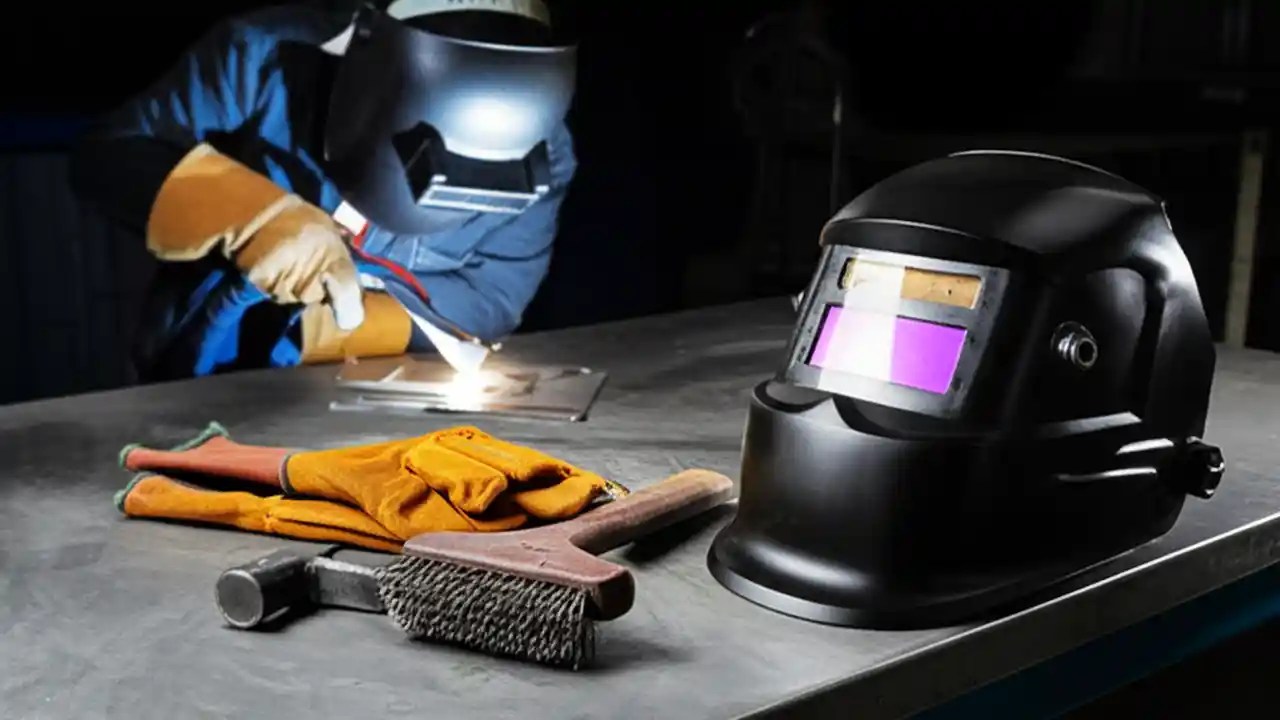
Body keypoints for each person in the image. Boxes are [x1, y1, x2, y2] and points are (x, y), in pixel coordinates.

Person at [71, 0, 577, 380]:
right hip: (200, 367)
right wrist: (251, 215)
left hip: (373, 388)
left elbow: (493, 299)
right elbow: (108, 156)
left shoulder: (541, 152)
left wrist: (330, 328)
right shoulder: (266, 55)